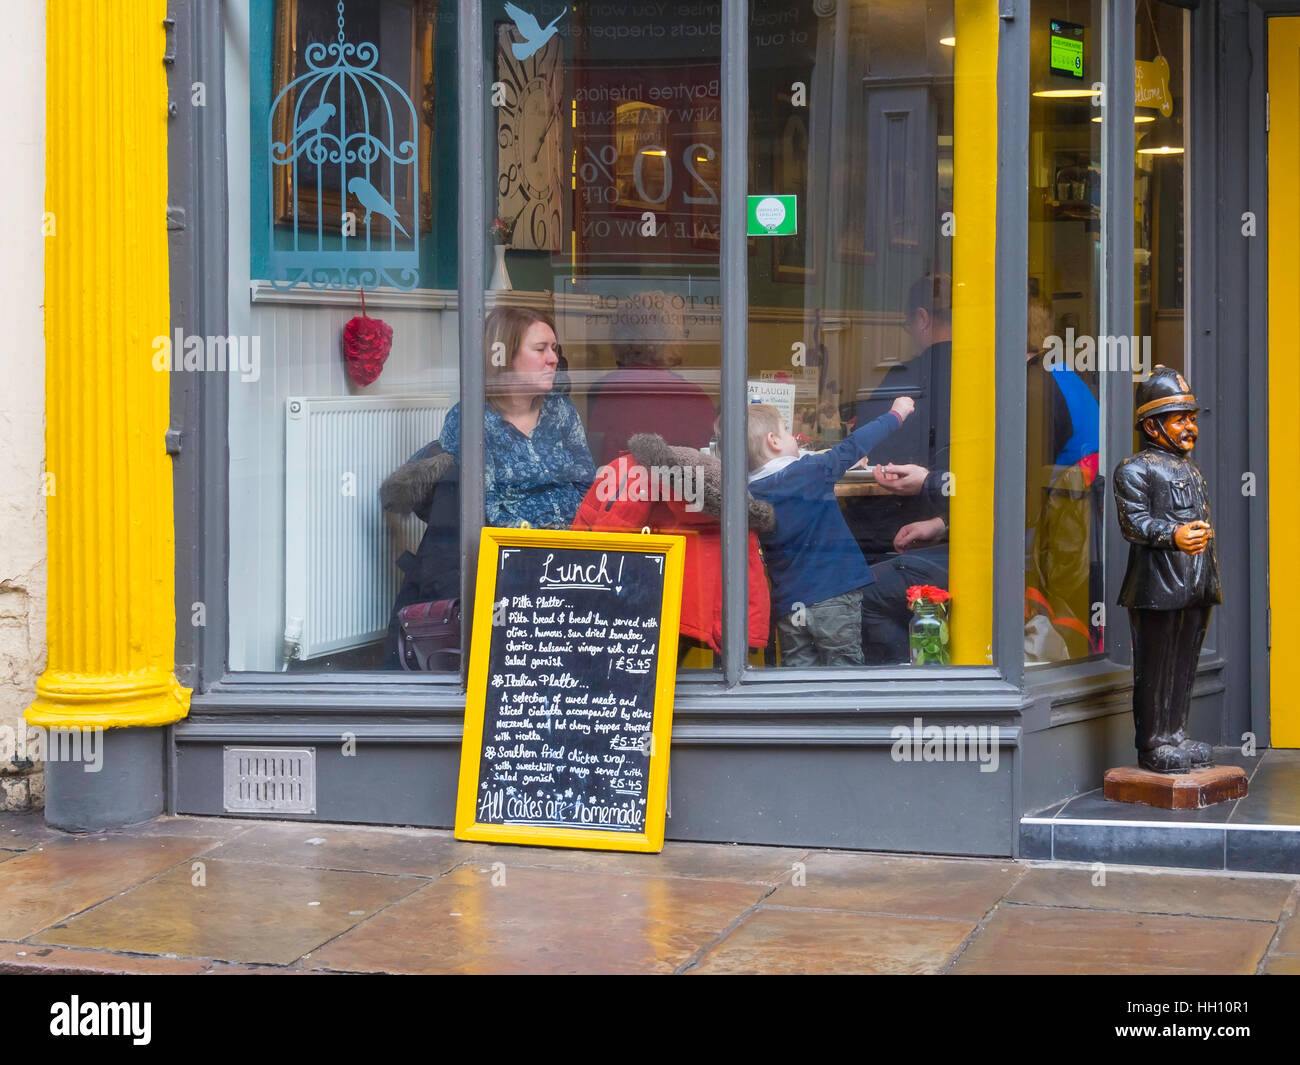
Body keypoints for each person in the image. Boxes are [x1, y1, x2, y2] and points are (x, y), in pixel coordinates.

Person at [379, 307, 596, 667]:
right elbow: (490, 509)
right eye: (540, 349)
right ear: (504, 355)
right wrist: (548, 549)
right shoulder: (471, 419)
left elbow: (584, 486)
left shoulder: (561, 412)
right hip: (504, 567)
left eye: (555, 349)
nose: (553, 359)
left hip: (569, 555)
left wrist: (577, 543)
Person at [748, 396, 915, 666]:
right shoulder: (813, 471)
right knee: (843, 672)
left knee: (797, 679)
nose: (796, 440)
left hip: (788, 605)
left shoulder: (748, 492)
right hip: (834, 595)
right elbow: (854, 444)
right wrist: (896, 414)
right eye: (788, 433)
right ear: (773, 441)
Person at [1113, 367, 1221, 773]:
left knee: (1183, 664)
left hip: (1196, 582)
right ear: (1152, 426)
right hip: (1156, 588)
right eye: (1181, 419)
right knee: (1155, 668)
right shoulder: (1134, 469)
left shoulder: (1191, 469)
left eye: (1191, 418)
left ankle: (1176, 733)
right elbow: (1134, 524)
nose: (1190, 427)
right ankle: (1153, 743)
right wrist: (1174, 535)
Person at [846, 275, 953, 664]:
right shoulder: (988, 379)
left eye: (910, 325)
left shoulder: (906, 379)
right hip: (956, 539)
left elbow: (865, 454)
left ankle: (901, 686)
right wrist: (942, 522)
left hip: (901, 540)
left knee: (855, 595)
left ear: (922, 319)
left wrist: (927, 484)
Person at [585, 337, 717, 467]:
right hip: (671, 486)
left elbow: (596, 454)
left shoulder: (605, 389)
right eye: (684, 334)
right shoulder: (692, 397)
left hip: (618, 484)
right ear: (666, 341)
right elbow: (706, 465)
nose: (685, 341)